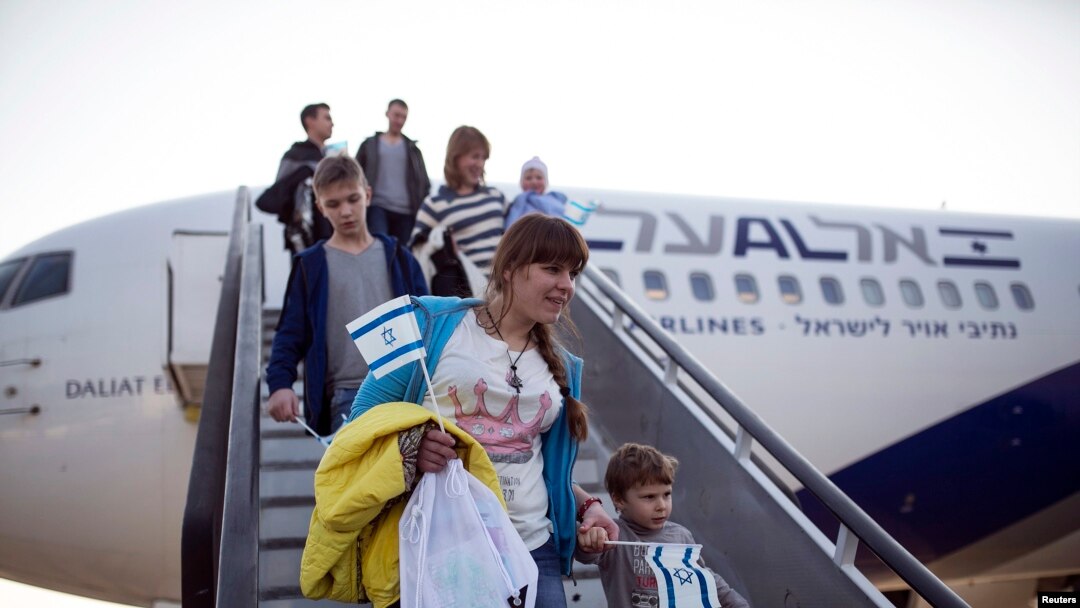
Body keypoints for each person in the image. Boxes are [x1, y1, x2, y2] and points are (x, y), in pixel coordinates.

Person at [350, 214, 618, 607]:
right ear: (509, 268)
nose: (567, 286)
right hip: (440, 544)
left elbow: (530, 463)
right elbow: (360, 420)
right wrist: (411, 448)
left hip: (531, 547)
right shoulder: (432, 324)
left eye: (573, 273)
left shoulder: (563, 365)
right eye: (552, 269)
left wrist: (587, 506)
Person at [265, 155, 428, 435]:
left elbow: (428, 321)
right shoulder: (311, 266)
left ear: (367, 195)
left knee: (410, 480)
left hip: (405, 390)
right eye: (333, 204)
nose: (346, 211)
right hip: (346, 397)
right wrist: (280, 384)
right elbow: (290, 333)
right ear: (320, 207)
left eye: (353, 199)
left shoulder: (399, 257)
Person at [576, 443, 750, 608]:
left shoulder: (681, 535)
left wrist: (734, 602)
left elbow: (705, 579)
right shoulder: (613, 535)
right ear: (619, 500)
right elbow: (585, 555)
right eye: (649, 497)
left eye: (666, 494)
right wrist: (590, 540)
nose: (661, 505)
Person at [410, 125, 507, 276]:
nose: (480, 164)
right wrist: (445, 249)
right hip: (470, 293)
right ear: (456, 157)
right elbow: (416, 252)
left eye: (483, 158)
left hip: (507, 287)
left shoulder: (496, 196)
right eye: (475, 156)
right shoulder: (434, 204)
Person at [256, 103, 336, 254]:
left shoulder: (331, 157)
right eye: (327, 118)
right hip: (305, 237)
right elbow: (280, 193)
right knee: (306, 276)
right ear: (310, 121)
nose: (332, 123)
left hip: (333, 234)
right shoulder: (295, 155)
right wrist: (305, 174)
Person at [357, 99, 432, 244]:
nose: (400, 120)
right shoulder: (369, 145)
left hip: (407, 212)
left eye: (404, 117)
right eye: (397, 115)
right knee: (379, 247)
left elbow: (424, 182)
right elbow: (355, 174)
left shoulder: (413, 150)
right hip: (377, 206)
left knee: (402, 254)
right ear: (387, 114)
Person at [505, 156, 568, 229]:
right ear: (521, 182)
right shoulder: (518, 203)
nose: (534, 182)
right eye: (528, 178)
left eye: (539, 178)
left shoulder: (554, 201)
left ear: (546, 182)